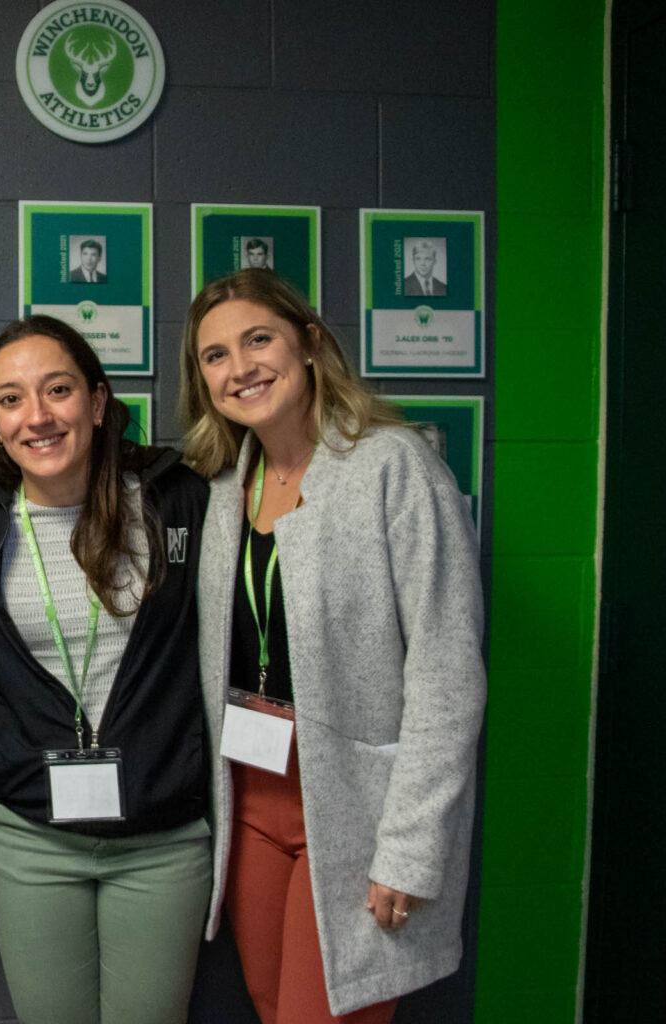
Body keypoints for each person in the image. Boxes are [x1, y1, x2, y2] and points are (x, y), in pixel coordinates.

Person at [179, 269, 484, 1023]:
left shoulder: (394, 467)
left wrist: (412, 849)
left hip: (353, 814)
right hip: (252, 807)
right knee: (269, 1002)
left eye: (259, 340)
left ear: (310, 343)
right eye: (215, 356)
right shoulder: (223, 488)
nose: (240, 367)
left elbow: (447, 673)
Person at [0, 315, 211, 1024]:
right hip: (33, 840)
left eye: (57, 390)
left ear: (96, 401)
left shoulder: (179, 500)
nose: (38, 416)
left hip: (163, 841)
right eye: (12, 399)